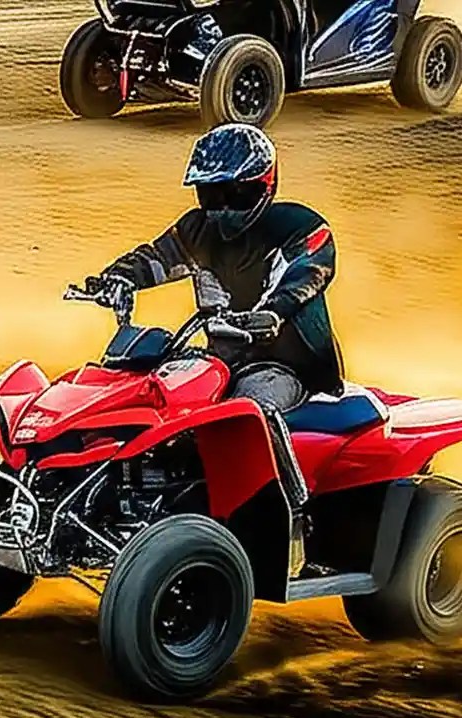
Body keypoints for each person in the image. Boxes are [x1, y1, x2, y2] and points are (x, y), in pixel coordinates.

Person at [82, 123, 344, 566]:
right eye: (210, 197)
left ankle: (296, 517)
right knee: (149, 394)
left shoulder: (300, 226)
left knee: (250, 411)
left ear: (263, 186)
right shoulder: (197, 230)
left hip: (284, 366)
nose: (220, 212)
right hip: (219, 360)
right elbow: (156, 258)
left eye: (233, 197)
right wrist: (116, 278)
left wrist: (272, 313)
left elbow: (307, 274)